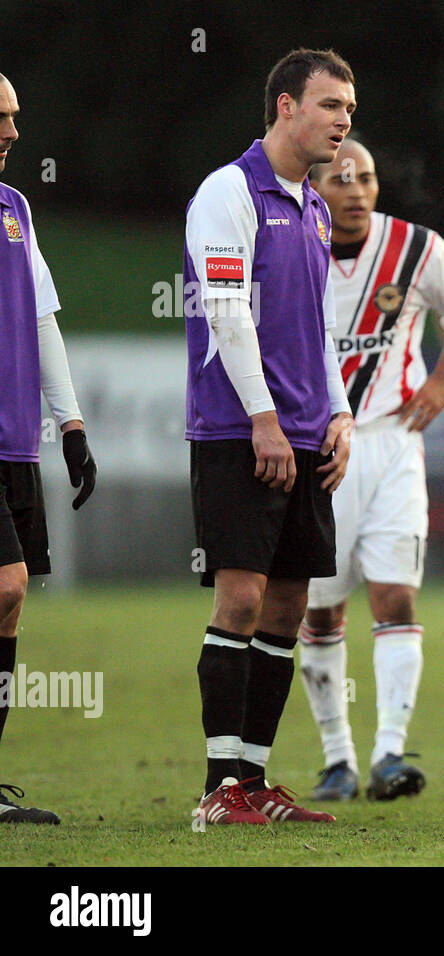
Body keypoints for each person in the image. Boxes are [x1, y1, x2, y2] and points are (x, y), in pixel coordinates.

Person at [186, 48, 355, 825]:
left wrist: (340, 411)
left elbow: (319, 326)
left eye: (349, 108)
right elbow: (226, 313)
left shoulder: (315, 204)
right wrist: (264, 419)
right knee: (244, 595)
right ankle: (219, 789)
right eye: (330, 105)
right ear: (287, 106)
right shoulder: (228, 191)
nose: (343, 120)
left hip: (306, 434)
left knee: (289, 603)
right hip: (239, 429)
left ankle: (254, 782)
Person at [295, 137, 444, 802]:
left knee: (395, 596)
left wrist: (443, 383)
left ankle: (390, 755)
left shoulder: (417, 248)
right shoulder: (294, 247)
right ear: (315, 189)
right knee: (320, 610)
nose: (358, 191)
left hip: (396, 443)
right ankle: (337, 758)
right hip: (323, 452)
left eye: (366, 178)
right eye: (342, 179)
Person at [0, 73, 97, 825]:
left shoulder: (16, 209)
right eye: (1, 117)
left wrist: (70, 426)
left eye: (16, 117)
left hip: (13, 444)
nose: (13, 131)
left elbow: (43, 318)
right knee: (5, 586)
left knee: (8, 607)